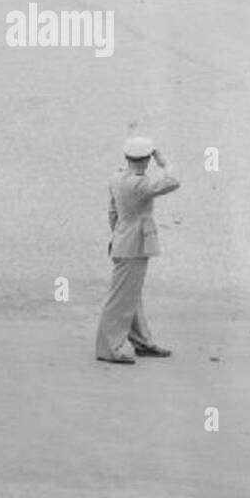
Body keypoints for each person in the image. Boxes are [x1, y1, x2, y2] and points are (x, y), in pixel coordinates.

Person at [95, 137, 179, 365]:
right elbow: (173, 181)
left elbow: (112, 212)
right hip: (134, 246)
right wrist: (164, 161)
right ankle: (108, 349)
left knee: (130, 296)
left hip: (122, 240)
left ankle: (143, 342)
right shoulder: (139, 184)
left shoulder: (117, 177)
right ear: (146, 161)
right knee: (120, 300)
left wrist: (120, 234)